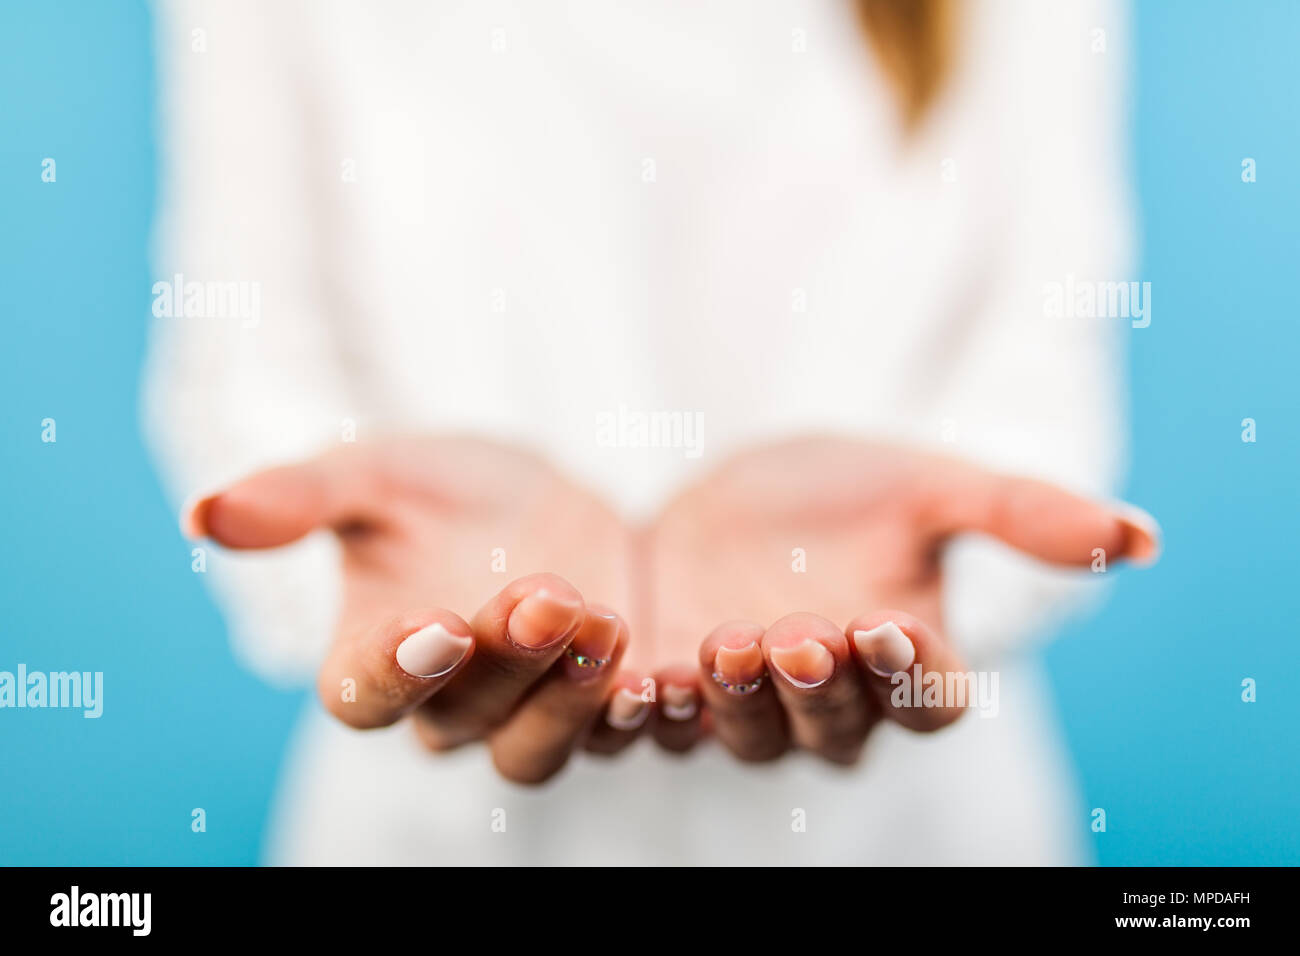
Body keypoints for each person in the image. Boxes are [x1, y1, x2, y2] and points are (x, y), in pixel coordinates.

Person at [145, 0, 1157, 865]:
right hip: (437, 826)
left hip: (914, 824)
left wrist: (934, 575)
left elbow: (1041, 359)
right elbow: (249, 356)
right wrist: (382, 582)